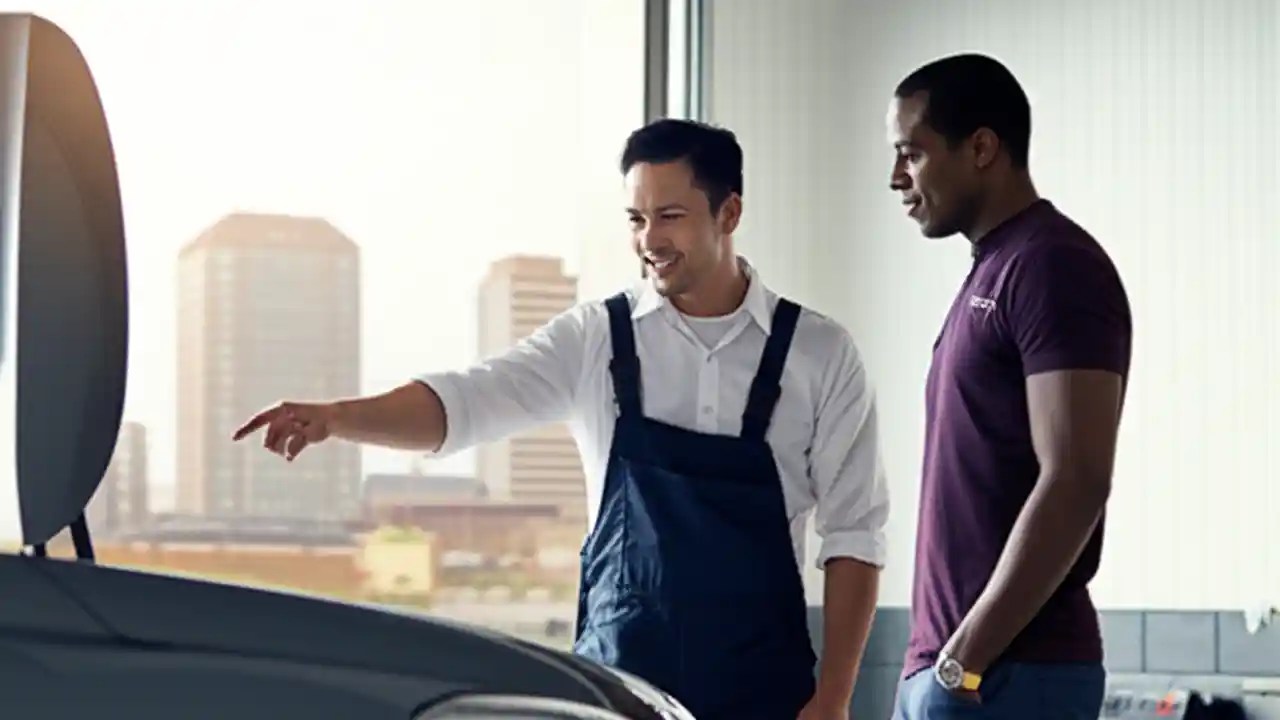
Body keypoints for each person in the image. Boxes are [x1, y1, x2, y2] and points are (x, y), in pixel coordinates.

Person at [233, 118, 889, 720]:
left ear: (730, 212)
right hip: (621, 697)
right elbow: (467, 402)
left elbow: (854, 533)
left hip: (767, 699)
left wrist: (833, 698)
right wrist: (337, 417)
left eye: (670, 216)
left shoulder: (820, 355)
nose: (648, 239)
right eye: (635, 218)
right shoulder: (595, 339)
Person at [885, 53, 1132, 720]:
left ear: (982, 148)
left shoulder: (1053, 265)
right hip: (959, 673)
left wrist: (964, 660)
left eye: (912, 153)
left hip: (1008, 675)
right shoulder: (992, 271)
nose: (895, 178)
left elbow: (1077, 477)